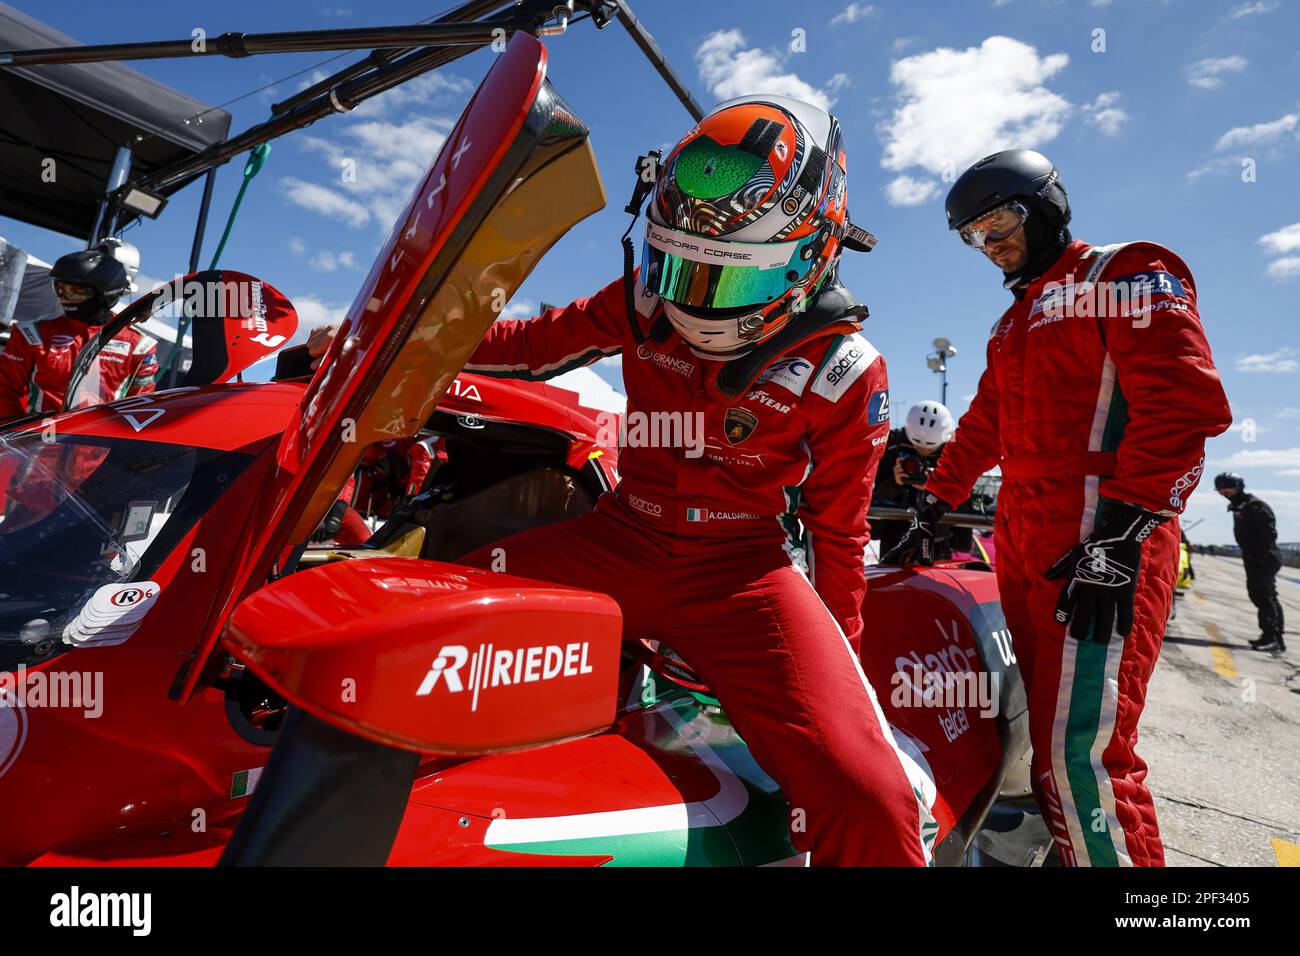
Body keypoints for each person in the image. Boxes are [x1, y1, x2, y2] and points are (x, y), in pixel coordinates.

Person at [312, 95, 935, 865]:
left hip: (743, 578)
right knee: (406, 634)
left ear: (811, 257)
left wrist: (840, 672)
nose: (694, 299)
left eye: (728, 280)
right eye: (680, 265)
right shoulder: (644, 302)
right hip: (618, 539)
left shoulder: (847, 371)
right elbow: (526, 344)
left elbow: (842, 534)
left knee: (870, 794)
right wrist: (381, 334)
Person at [884, 149, 1232, 867]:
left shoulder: (1123, 272)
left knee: (1084, 762)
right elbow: (983, 424)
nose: (991, 244)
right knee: (1047, 756)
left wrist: (1124, 533)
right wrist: (934, 503)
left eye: (1001, 221)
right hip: (1023, 538)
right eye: (974, 236)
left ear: (1046, 205)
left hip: (1094, 539)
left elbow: (1183, 405)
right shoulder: (1013, 324)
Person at [0, 248, 157, 423]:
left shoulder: (139, 345)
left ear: (105, 293)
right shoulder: (32, 334)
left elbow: (141, 408)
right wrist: (20, 441)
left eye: (75, 291)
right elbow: (4, 391)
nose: (64, 297)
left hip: (103, 446)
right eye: (60, 289)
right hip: (39, 444)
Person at [872, 400, 974, 558]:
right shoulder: (893, 444)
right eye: (917, 446)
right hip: (895, 538)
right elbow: (879, 493)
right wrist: (896, 482)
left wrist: (937, 485)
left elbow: (963, 496)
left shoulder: (955, 449)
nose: (924, 451)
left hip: (938, 542)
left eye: (931, 448)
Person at [1215, 473, 1285, 652]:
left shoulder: (1254, 506)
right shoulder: (1239, 506)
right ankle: (1272, 636)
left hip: (1264, 558)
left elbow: (1268, 534)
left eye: (1227, 488)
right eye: (1221, 490)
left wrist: (1258, 557)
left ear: (1238, 486)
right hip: (1254, 557)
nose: (1224, 492)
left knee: (1264, 595)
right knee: (1262, 595)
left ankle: (1272, 638)